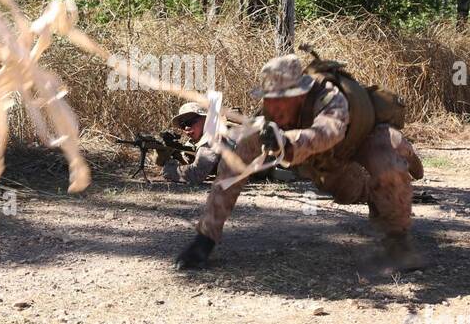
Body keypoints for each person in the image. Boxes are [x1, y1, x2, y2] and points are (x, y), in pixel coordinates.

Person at [174, 54, 426, 271]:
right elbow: (230, 173)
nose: (273, 106)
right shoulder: (265, 123)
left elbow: (329, 132)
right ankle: (377, 197)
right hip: (330, 160)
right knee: (346, 193)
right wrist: (204, 239)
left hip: (362, 136)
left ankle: (398, 238)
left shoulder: (330, 98)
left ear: (300, 94)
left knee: (389, 156)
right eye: (268, 98)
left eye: (281, 98)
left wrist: (288, 141)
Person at [161, 102, 221, 186]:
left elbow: (196, 175)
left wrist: (170, 171)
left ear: (206, 119)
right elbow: (188, 161)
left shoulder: (213, 136)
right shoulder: (194, 142)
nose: (186, 128)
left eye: (190, 122)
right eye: (182, 125)